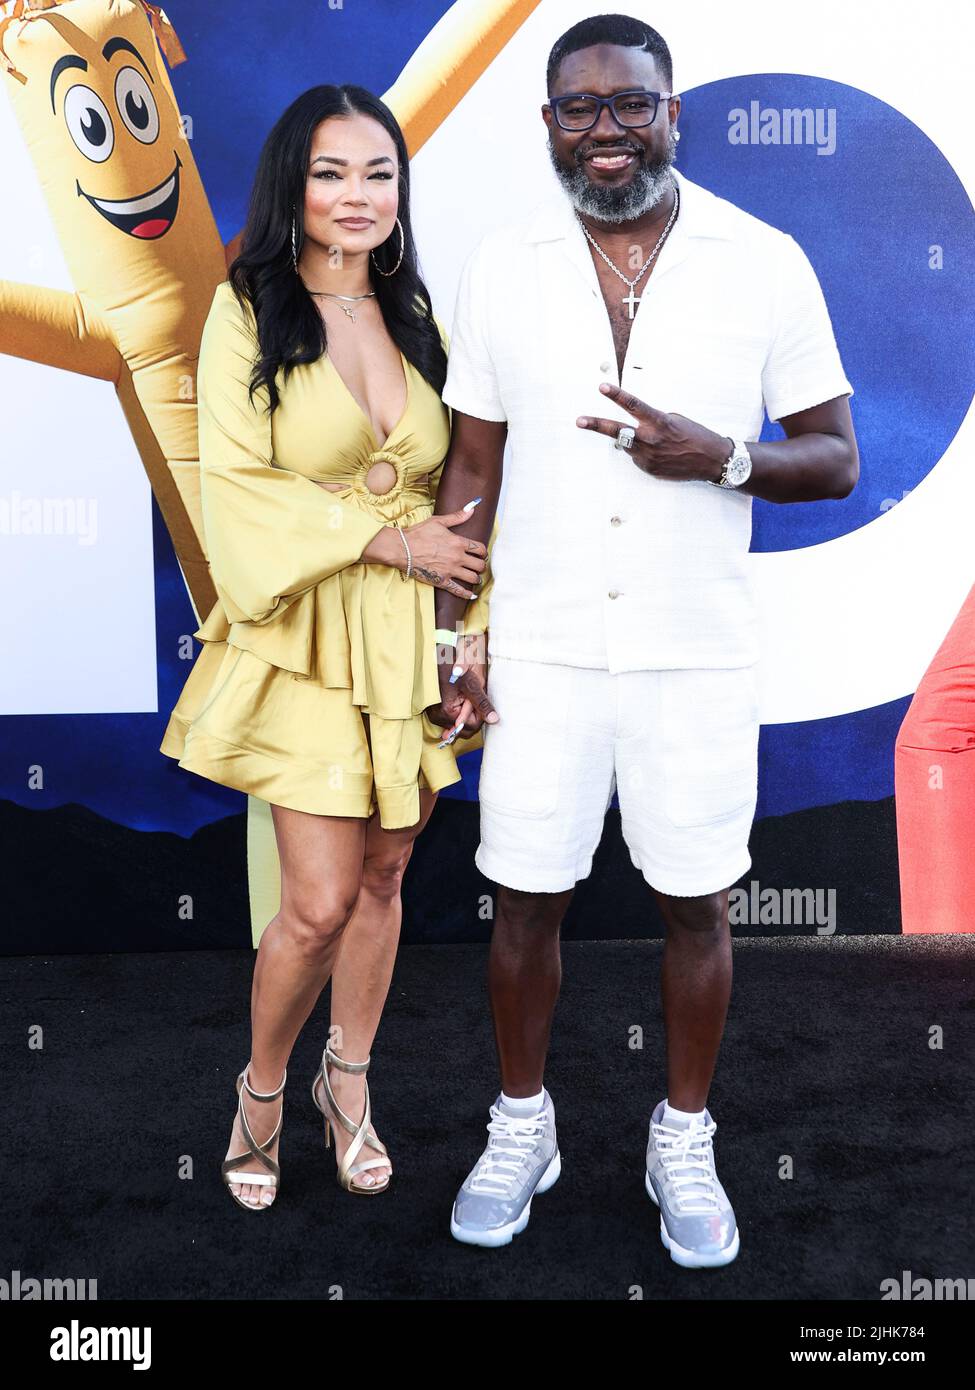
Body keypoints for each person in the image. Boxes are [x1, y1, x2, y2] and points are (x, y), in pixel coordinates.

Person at [428, 14, 857, 1263]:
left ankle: (685, 1135)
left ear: (677, 114)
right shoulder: (500, 262)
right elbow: (471, 463)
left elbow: (835, 457)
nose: (606, 130)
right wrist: (456, 639)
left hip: (694, 651)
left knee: (695, 908)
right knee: (524, 899)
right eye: (581, 108)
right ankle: (524, 1125)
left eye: (632, 105)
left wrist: (718, 456)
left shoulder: (763, 260)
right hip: (546, 648)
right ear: (549, 123)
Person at [159, 84, 496, 1210]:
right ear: (291, 187)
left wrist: (469, 640)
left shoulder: (419, 317)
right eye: (331, 173)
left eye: (380, 174)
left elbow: (466, 498)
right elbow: (238, 494)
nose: (358, 198)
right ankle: (262, 1090)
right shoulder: (246, 310)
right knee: (315, 900)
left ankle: (346, 1085)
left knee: (390, 870)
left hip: (410, 638)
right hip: (305, 631)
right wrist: (386, 541)